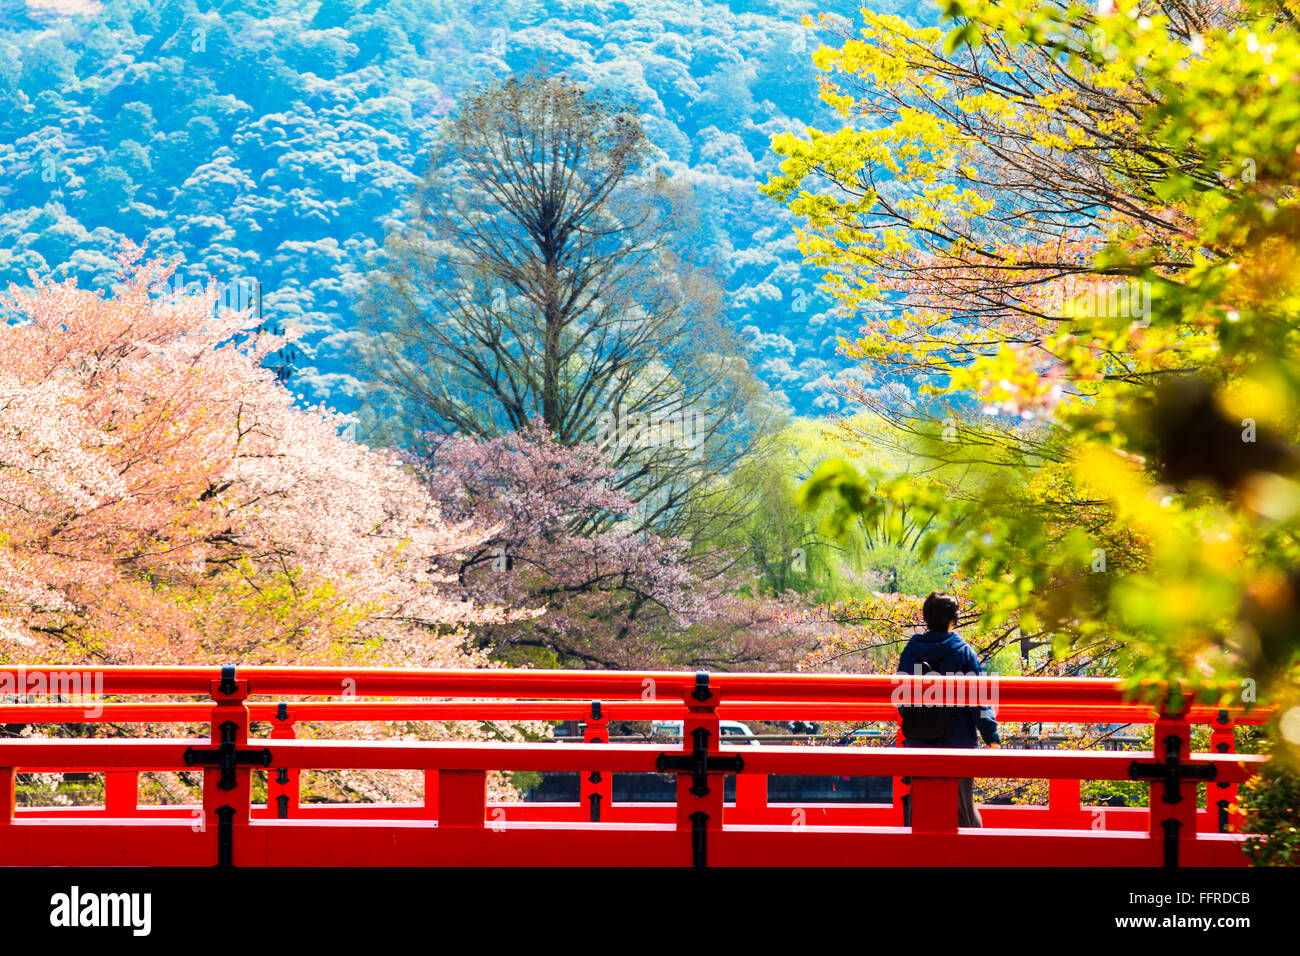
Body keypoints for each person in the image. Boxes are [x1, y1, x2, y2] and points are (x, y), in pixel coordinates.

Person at [896, 591, 1000, 828]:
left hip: (918, 744)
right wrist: (991, 735)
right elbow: (980, 699)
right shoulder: (963, 652)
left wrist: (922, 721)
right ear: (954, 619)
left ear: (926, 618)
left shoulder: (911, 651)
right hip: (957, 742)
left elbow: (900, 697)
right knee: (963, 812)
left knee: (921, 812)